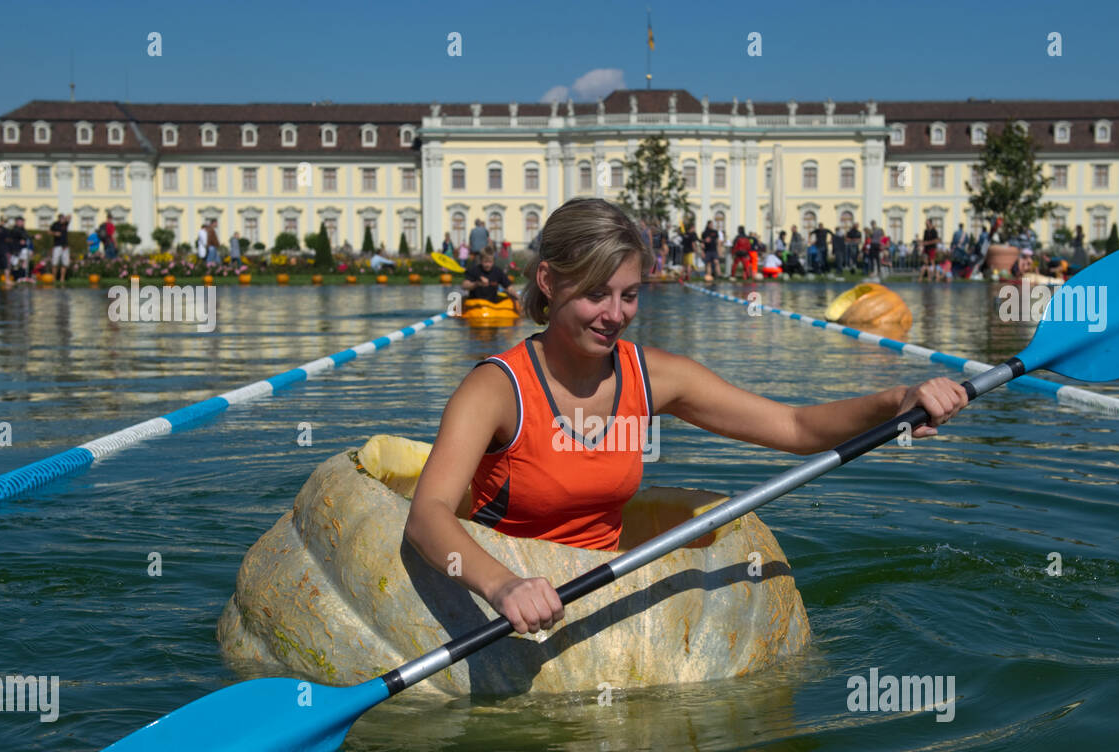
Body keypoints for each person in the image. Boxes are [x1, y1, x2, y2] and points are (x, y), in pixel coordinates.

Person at [402, 198, 968, 635]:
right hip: (504, 604)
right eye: (598, 294)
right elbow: (427, 515)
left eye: (630, 295)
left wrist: (893, 401)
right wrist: (504, 587)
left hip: (603, 598)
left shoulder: (655, 376)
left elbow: (794, 429)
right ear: (548, 282)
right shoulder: (495, 389)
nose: (616, 315)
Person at [50, 213, 70, 282]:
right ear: (59, 218)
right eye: (61, 218)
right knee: (55, 263)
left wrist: (66, 218)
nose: (63, 219)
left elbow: (70, 216)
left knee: (65, 263)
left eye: (63, 218)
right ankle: (54, 278)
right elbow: (49, 231)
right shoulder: (55, 224)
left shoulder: (65, 224)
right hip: (57, 245)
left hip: (65, 246)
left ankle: (62, 279)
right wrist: (55, 233)